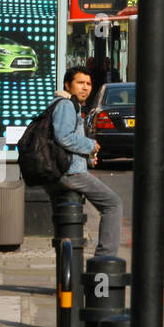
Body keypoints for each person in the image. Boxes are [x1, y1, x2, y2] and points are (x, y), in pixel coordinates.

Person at [45, 67, 123, 258]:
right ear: (67, 85)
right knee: (113, 204)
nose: (85, 88)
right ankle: (105, 258)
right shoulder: (65, 105)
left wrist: (87, 157)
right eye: (80, 83)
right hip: (70, 173)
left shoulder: (67, 104)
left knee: (69, 224)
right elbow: (64, 137)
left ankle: (68, 272)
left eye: (88, 84)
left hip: (64, 170)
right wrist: (91, 145)